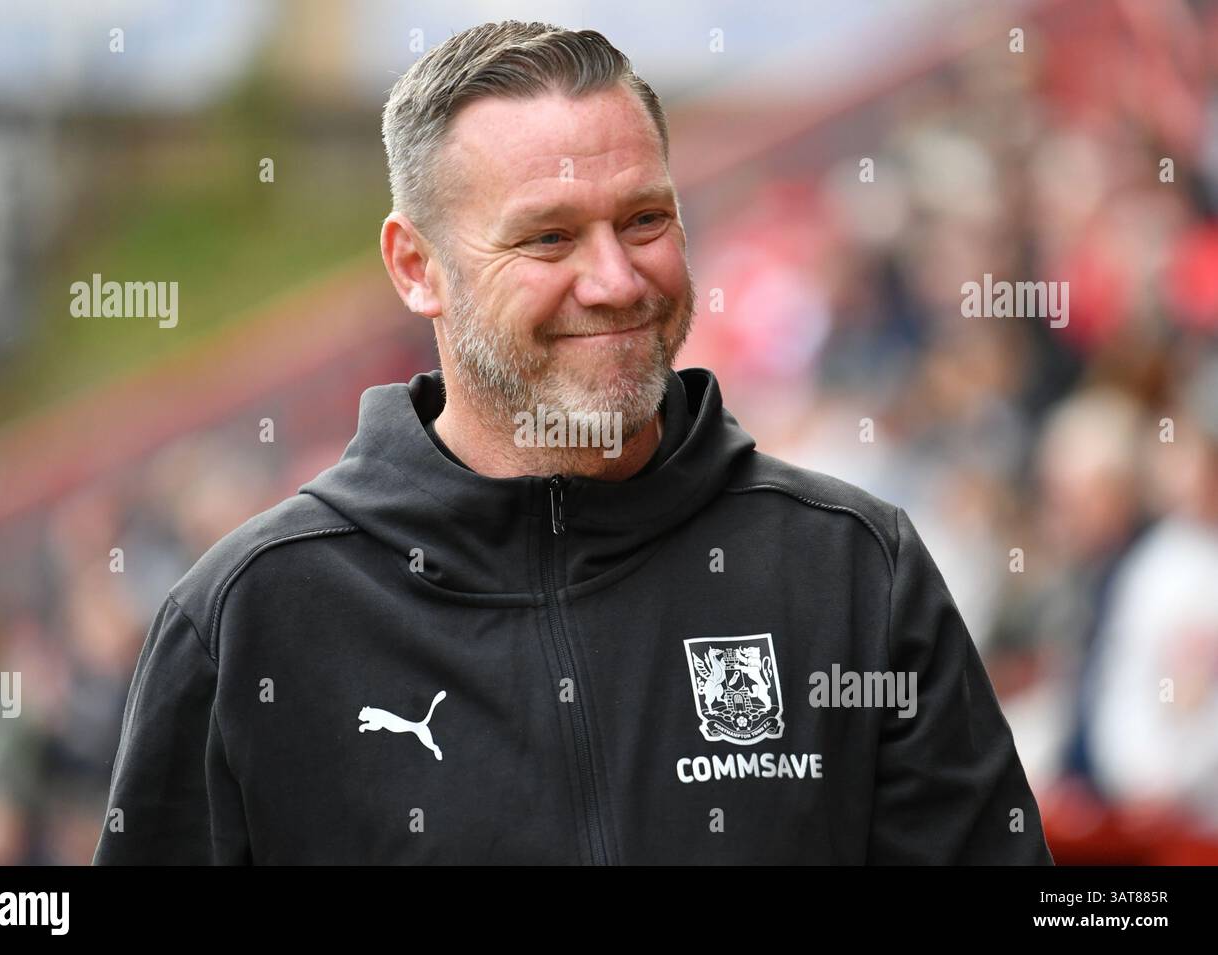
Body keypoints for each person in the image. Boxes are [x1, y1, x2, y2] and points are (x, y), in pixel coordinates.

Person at [93, 20, 1052, 865]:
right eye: (549, 239)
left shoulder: (851, 569)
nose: (615, 280)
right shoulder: (251, 616)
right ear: (416, 266)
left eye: (644, 220)